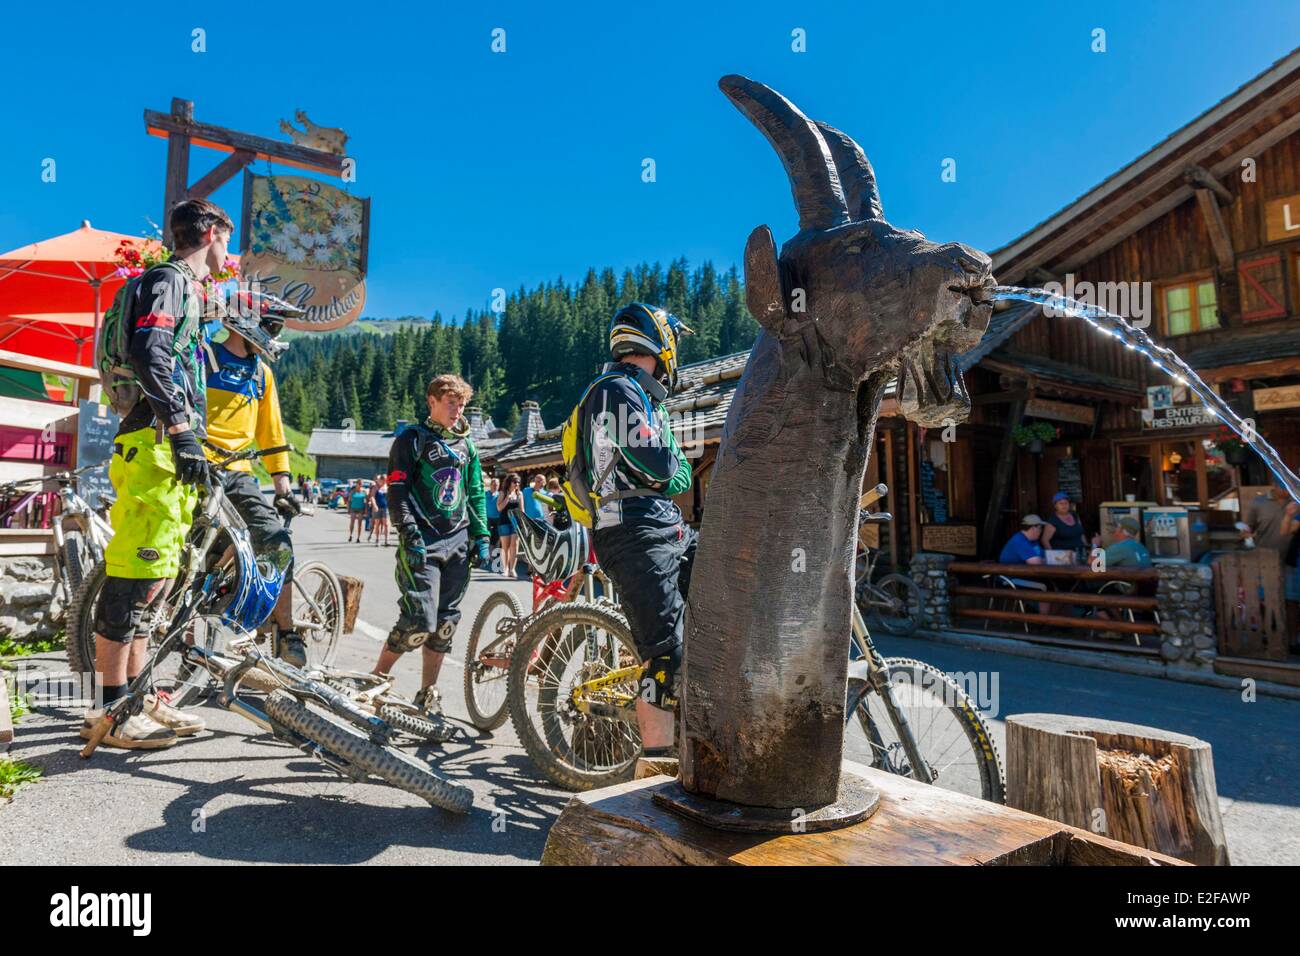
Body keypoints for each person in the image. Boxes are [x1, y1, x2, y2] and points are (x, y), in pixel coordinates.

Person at [81, 198, 231, 749]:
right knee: (134, 577)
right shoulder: (168, 280)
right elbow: (150, 351)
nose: (226, 253)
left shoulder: (185, 289)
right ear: (211, 232)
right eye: (225, 240)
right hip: (152, 440)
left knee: (159, 580)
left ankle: (137, 701)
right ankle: (112, 713)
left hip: (163, 446)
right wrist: (181, 426)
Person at [574, 303, 694, 755]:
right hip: (631, 533)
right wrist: (673, 464)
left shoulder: (643, 397)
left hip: (665, 527)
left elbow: (667, 470)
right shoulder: (615, 389)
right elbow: (663, 465)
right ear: (661, 344)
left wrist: (671, 467)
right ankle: (655, 773)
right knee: (666, 657)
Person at [370, 375, 490, 718]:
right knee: (418, 621)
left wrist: (481, 537)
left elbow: (477, 493)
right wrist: (408, 532)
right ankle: (375, 679)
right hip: (423, 538)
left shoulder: (468, 445)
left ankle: (427, 694)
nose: (457, 410)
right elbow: (397, 489)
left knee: (445, 623)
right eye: (450, 402)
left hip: (459, 540)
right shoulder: (412, 439)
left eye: (461, 404)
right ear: (432, 401)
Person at [199, 287, 307, 667]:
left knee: (277, 543)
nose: (275, 336)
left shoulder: (261, 373)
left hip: (238, 473)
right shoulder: (204, 357)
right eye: (272, 327)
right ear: (249, 322)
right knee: (195, 555)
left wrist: (283, 487)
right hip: (198, 465)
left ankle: (288, 631)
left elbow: (271, 433)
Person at [998, 514, 1050, 613]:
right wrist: (1046, 560)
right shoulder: (1019, 540)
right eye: (1040, 528)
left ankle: (1057, 619)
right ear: (1034, 528)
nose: (1041, 531)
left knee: (1058, 583)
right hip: (1012, 580)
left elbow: (1045, 557)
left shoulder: (1033, 541)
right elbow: (1036, 562)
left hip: (1026, 576)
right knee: (1046, 586)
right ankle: (1045, 622)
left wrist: (1045, 559)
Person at [1041, 491, 1099, 557]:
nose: (1064, 505)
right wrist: (1053, 556)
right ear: (1055, 506)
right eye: (1061, 503)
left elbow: (1081, 533)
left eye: (1066, 503)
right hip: (1064, 557)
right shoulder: (1053, 521)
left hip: (1080, 553)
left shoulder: (1075, 516)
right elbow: (1045, 540)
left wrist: (1086, 547)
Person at [496, 473, 522, 578]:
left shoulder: (520, 494)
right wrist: (507, 497)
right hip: (504, 522)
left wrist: (522, 524)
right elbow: (499, 508)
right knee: (505, 547)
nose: (517, 484)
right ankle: (505, 569)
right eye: (514, 482)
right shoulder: (503, 493)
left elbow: (522, 510)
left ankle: (512, 569)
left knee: (514, 546)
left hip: (515, 522)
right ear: (509, 482)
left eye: (518, 482)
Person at [371, 474, 390, 546]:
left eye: (386, 480)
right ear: (381, 480)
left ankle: (386, 540)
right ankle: (377, 540)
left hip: (386, 507)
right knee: (377, 524)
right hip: (378, 507)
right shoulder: (376, 487)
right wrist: (375, 505)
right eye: (384, 480)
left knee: (386, 524)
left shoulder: (387, 487)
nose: (385, 481)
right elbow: (372, 497)